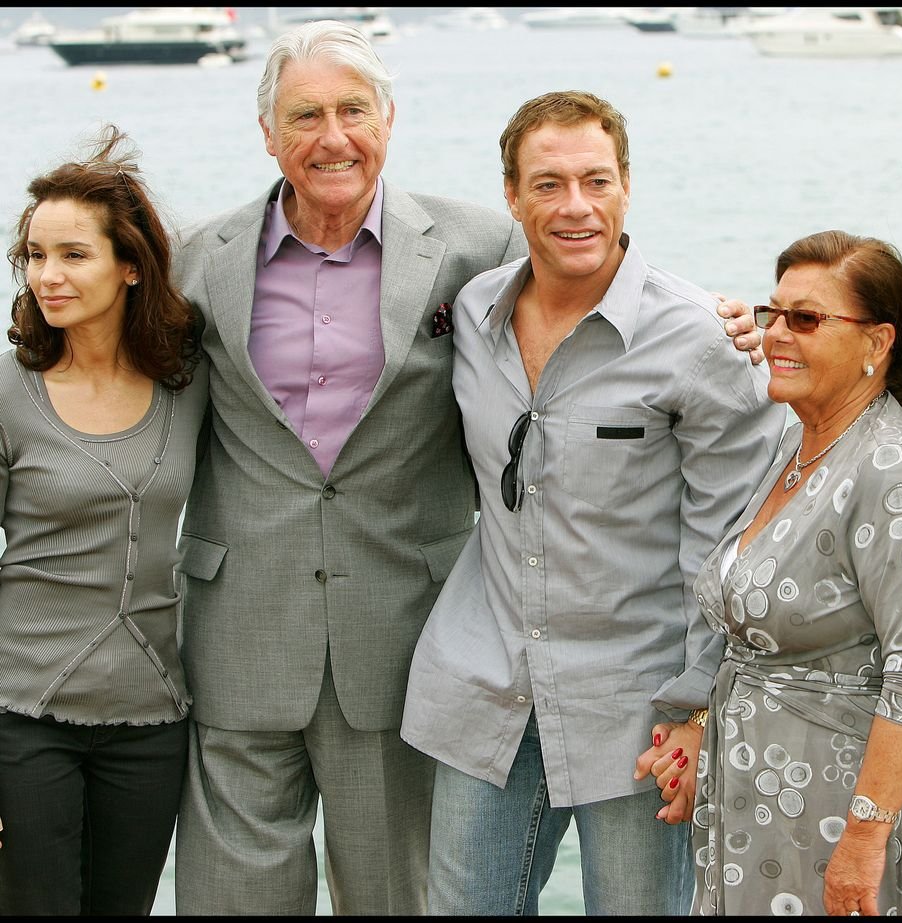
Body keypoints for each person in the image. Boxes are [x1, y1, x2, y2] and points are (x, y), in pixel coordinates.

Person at [169, 21, 527, 915]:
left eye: (353, 111)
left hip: (404, 630)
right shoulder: (195, 261)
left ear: (389, 118)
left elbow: (586, 306)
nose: (333, 137)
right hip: (236, 629)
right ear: (267, 134)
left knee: (394, 897)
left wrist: (722, 323)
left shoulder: (478, 247)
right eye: (305, 116)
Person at [399, 89, 785, 915]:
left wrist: (699, 708)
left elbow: (731, 544)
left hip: (640, 709)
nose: (575, 206)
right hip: (487, 687)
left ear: (626, 186)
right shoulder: (473, 313)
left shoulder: (699, 340)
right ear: (511, 195)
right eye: (547, 184)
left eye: (595, 181)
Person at [649, 229, 902, 916]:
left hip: (842, 819)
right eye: (773, 314)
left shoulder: (895, 474)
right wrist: (703, 724)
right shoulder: (801, 445)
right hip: (761, 813)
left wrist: (862, 838)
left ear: (878, 343)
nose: (775, 336)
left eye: (806, 319)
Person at [0, 125, 206, 915]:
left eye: (72, 255)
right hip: (23, 720)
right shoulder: (9, 395)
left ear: (129, 267)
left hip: (151, 721)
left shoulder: (190, 387)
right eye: (35, 255)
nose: (48, 276)